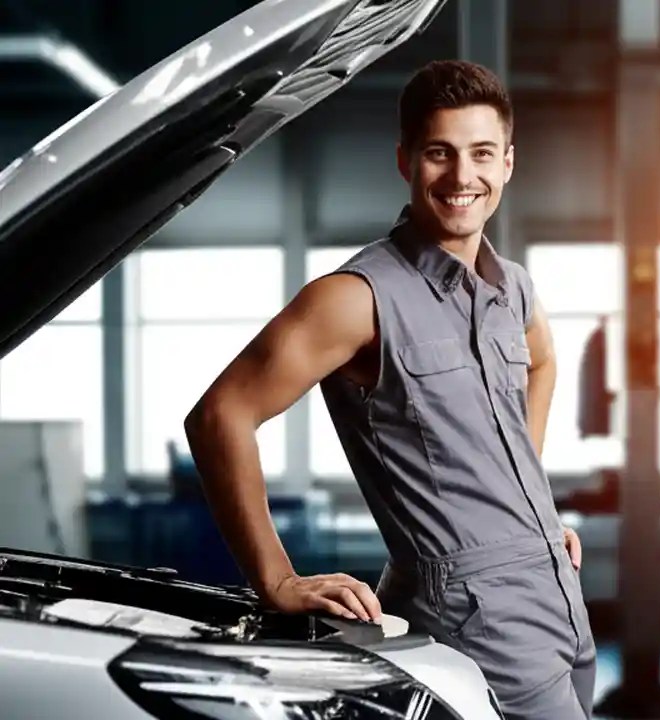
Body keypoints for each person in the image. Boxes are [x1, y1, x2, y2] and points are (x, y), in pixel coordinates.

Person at [184, 60, 596, 719]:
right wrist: (277, 580)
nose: (464, 177)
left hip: (562, 599)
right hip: (479, 620)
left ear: (508, 164)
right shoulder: (355, 300)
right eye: (440, 153)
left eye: (482, 154)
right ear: (406, 161)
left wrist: (530, 505)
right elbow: (219, 416)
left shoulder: (511, 288)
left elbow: (543, 360)